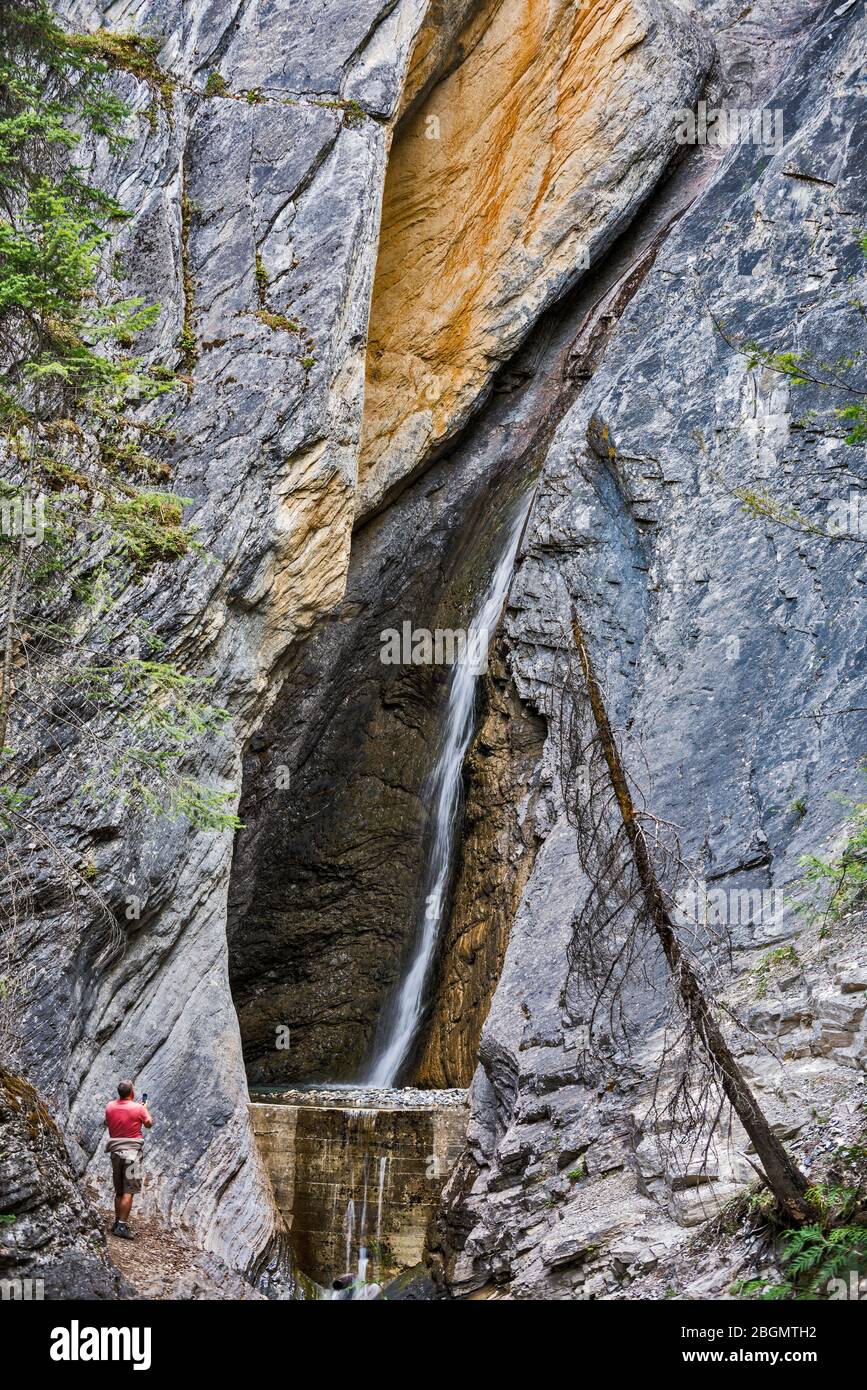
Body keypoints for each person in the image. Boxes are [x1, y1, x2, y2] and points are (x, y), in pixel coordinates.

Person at [104, 1080, 152, 1239]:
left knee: (119, 1191)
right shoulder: (138, 1108)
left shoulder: (110, 1106)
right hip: (132, 1155)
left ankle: (117, 1222)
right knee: (128, 1190)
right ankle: (122, 1227)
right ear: (132, 1092)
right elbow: (149, 1124)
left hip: (115, 1152)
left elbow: (111, 1121)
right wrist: (144, 1109)